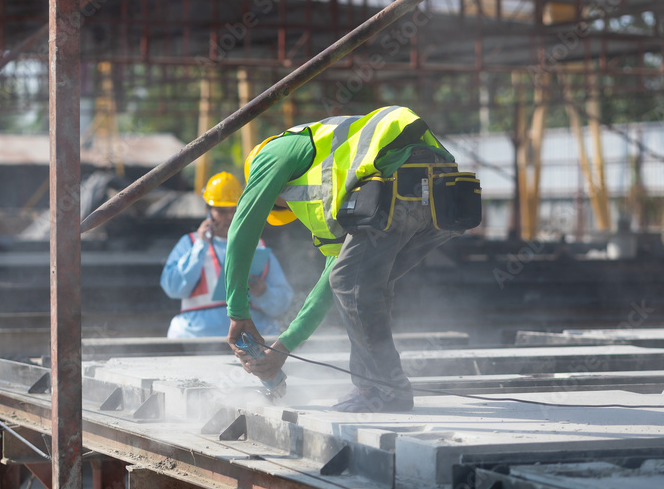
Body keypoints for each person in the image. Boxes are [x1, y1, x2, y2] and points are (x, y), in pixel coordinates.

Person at [223, 106, 478, 413]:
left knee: (354, 284)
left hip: (402, 175)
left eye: (280, 205)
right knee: (367, 283)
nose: (288, 206)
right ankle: (372, 387)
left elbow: (243, 229)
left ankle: (387, 389)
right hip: (444, 194)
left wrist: (237, 312)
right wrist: (282, 348)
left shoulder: (271, 153)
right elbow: (329, 289)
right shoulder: (340, 184)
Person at [161, 172, 293, 339]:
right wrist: (200, 246)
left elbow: (283, 303)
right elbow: (173, 288)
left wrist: (263, 292)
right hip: (198, 337)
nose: (230, 217)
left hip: (251, 337)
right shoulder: (190, 243)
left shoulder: (257, 246)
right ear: (207, 210)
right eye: (222, 211)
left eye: (234, 210)